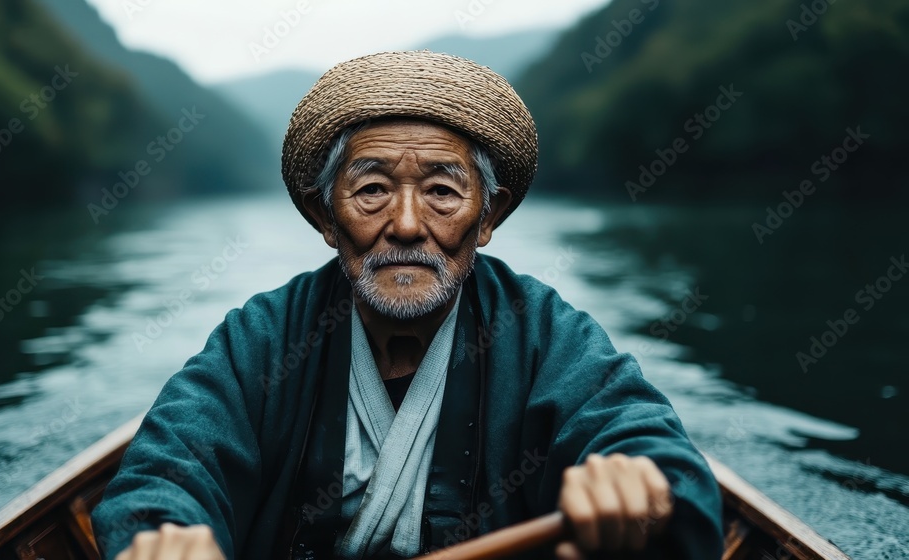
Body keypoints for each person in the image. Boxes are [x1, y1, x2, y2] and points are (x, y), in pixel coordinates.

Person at [91, 51, 723, 560]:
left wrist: (636, 479)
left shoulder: (542, 333)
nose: (407, 225)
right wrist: (167, 531)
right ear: (325, 216)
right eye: (371, 190)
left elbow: (650, 446)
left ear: (488, 216)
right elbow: (166, 469)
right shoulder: (263, 338)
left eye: (443, 192)